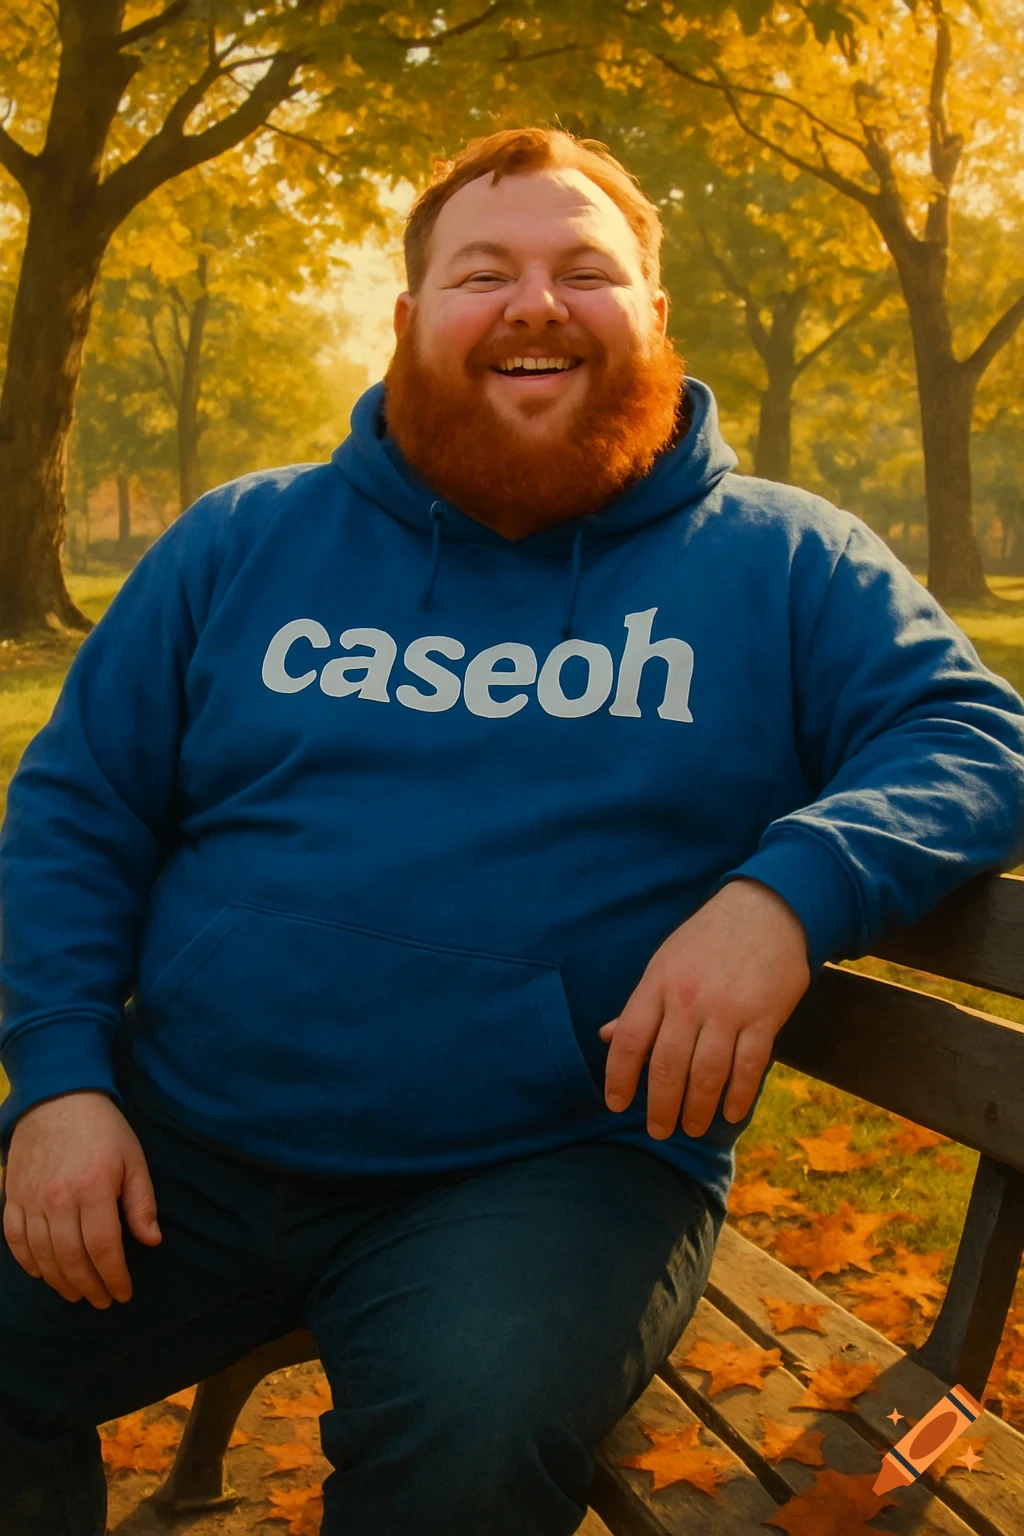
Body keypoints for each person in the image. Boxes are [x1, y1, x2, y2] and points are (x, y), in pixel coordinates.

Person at [1, 125, 1023, 1536]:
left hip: (549, 1168)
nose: (535, 305)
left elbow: (976, 737)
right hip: (185, 1134)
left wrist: (786, 896)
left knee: (465, 1451)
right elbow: (80, 808)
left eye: (583, 271)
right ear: (409, 319)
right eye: (484, 274)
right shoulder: (243, 540)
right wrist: (61, 1082)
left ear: (653, 313)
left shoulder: (787, 560)